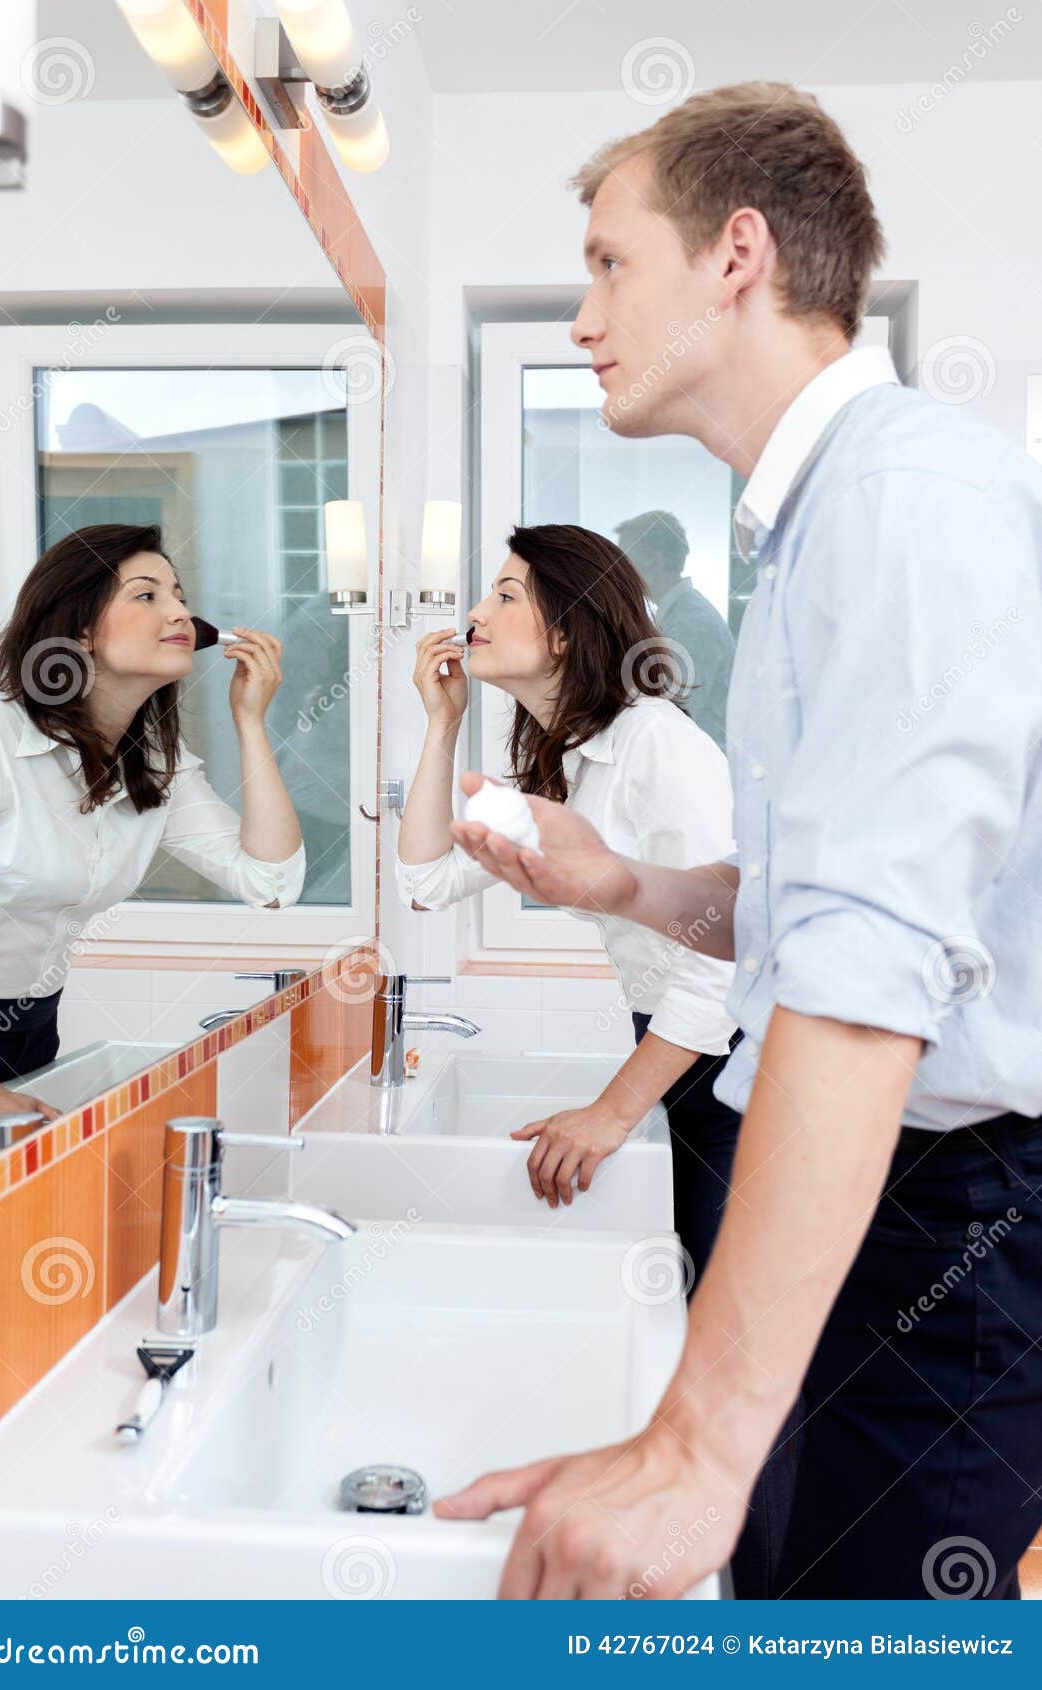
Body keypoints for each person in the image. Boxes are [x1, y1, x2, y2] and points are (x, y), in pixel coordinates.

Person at [433, 83, 1042, 1601]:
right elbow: (802, 912)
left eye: (608, 263)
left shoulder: (899, 500)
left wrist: (697, 1442)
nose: (583, 317)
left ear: (736, 254)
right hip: (886, 1196)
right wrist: (626, 885)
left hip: (951, 1210)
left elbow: (864, 975)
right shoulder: (821, 521)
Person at [396, 521, 739, 1232]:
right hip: (674, 1045)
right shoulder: (568, 765)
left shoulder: (656, 741)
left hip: (735, 1059)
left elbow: (723, 958)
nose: (475, 613)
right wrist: (441, 726)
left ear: (563, 632)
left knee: (720, 1287)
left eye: (505, 596)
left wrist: (611, 1113)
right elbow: (426, 884)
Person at [0, 523, 304, 1124]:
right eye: (147, 595)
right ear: (80, 630)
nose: (179, 612)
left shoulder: (152, 764)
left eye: (179, 595)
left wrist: (251, 723)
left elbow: (273, 883)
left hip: (31, 1032)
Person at [614, 509, 735, 750]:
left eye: (622, 561)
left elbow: (676, 715)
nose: (617, 572)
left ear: (654, 561)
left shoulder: (690, 625)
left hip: (699, 761)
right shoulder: (677, 616)